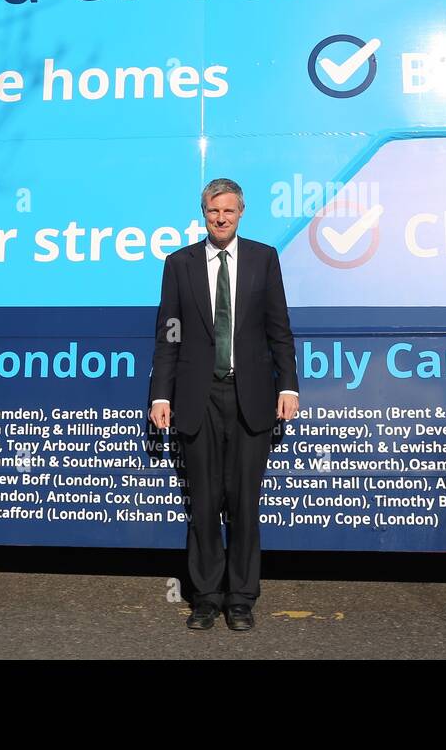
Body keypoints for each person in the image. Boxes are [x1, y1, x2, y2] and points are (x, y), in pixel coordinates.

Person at [148, 178, 299, 631]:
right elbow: (168, 332)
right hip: (198, 399)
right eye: (214, 212)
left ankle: (241, 598)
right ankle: (206, 597)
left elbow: (280, 329)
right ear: (203, 213)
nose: (221, 219)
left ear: (241, 212)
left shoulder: (263, 259)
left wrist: (288, 387)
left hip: (250, 396)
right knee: (206, 501)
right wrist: (161, 393)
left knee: (244, 503)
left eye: (229, 212)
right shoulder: (179, 263)